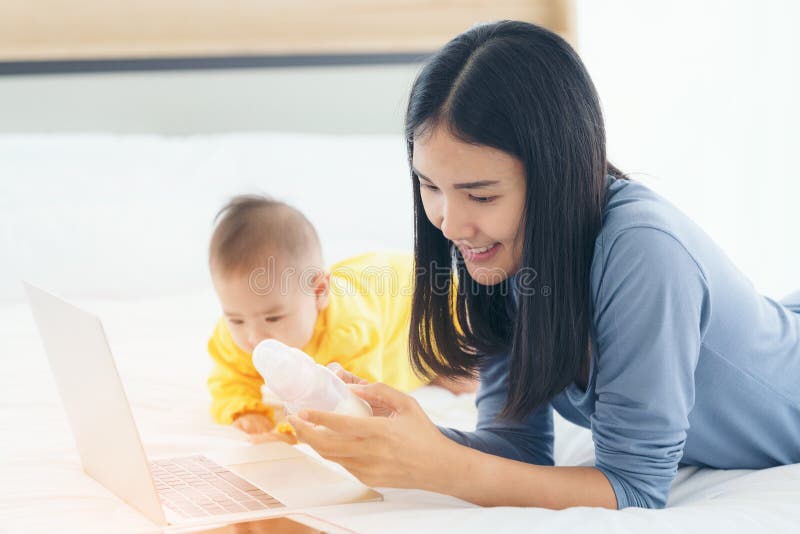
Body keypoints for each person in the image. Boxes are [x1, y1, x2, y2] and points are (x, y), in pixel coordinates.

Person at [287, 20, 800, 509]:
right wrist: (400, 439)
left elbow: (634, 489)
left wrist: (438, 466)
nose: (450, 224)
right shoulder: (501, 257)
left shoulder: (645, 252)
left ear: (558, 176)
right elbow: (517, 448)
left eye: (481, 195)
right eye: (430, 186)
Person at [207, 195, 475, 443]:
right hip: (381, 293)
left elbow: (355, 404)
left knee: (465, 372)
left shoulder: (348, 331)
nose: (254, 337)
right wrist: (245, 410)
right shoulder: (242, 325)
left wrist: (295, 432)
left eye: (273, 318)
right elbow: (230, 378)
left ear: (319, 293)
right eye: (236, 320)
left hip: (427, 297)